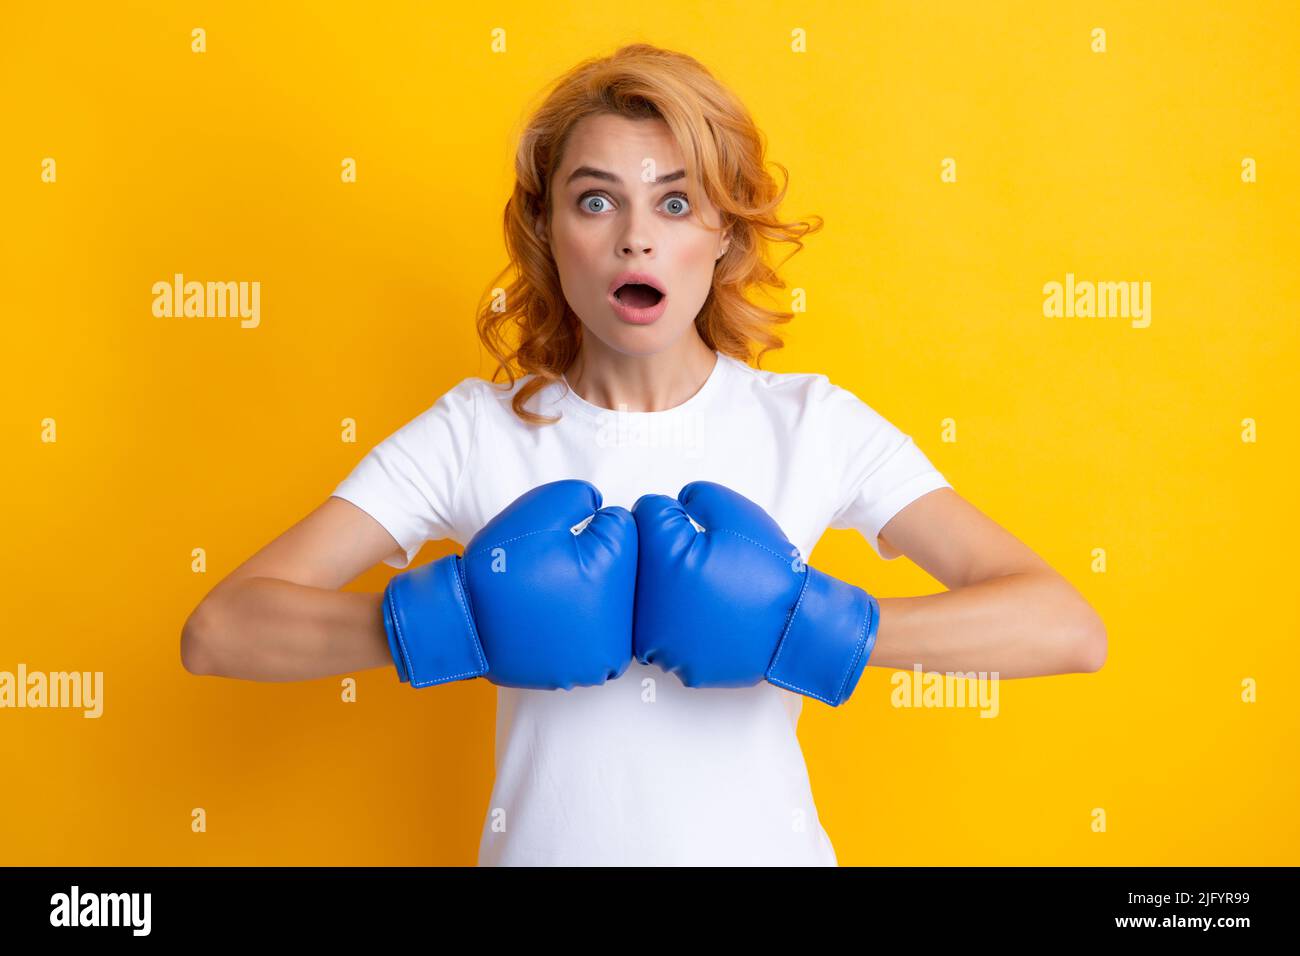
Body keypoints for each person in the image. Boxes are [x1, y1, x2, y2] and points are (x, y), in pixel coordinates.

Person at [180, 43, 1107, 866]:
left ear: (723, 235)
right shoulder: (475, 430)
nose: (637, 234)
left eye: (675, 201)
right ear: (548, 231)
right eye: (596, 200)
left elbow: (1065, 627)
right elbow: (221, 631)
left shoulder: (810, 424)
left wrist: (806, 624)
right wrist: (452, 619)